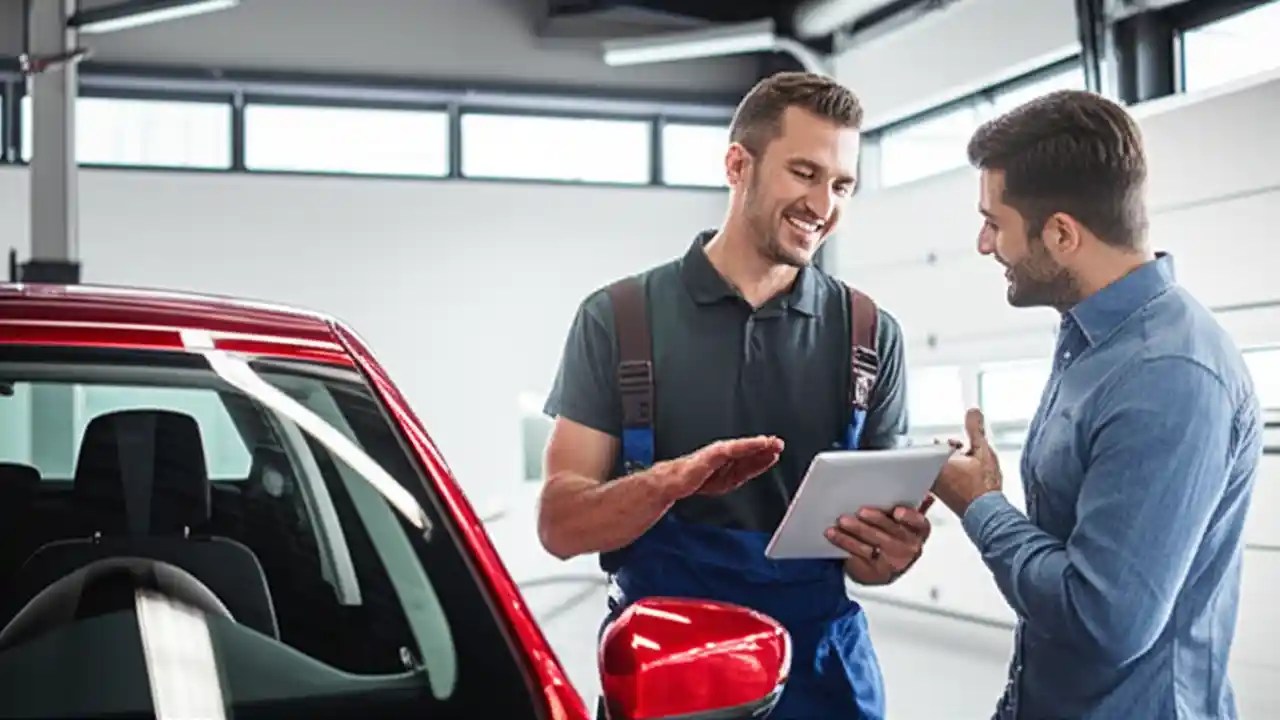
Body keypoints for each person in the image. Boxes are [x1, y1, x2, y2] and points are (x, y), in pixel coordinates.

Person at [537, 71, 932, 719]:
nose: (823, 204)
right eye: (804, 172)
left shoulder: (869, 335)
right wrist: (670, 483)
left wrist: (891, 554)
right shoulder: (618, 319)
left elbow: (869, 568)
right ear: (736, 164)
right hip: (671, 676)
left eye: (841, 185)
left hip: (821, 679)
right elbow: (559, 525)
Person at [932, 89, 1262, 719]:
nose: (983, 245)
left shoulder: (1169, 375)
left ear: (1060, 234)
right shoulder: (1093, 340)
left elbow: (1103, 619)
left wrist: (980, 506)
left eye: (993, 223)